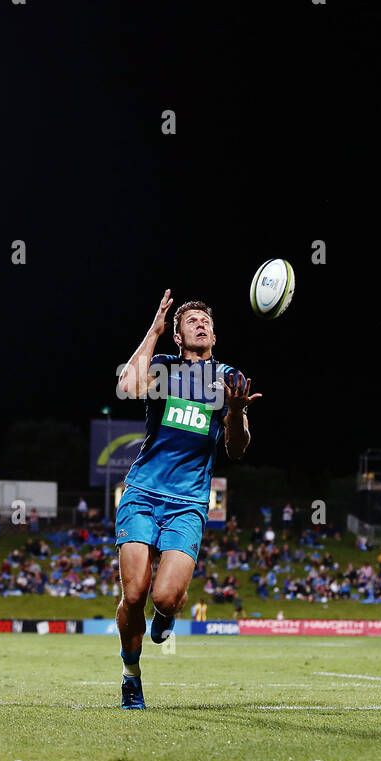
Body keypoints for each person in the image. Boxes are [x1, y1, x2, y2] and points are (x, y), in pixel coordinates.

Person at [112, 291, 259, 709]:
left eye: (205, 321)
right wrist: (155, 328)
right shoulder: (163, 367)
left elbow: (237, 448)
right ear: (178, 336)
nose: (200, 324)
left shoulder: (229, 379)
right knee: (134, 593)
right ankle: (131, 675)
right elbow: (126, 385)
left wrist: (234, 412)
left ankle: (167, 616)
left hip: (189, 502)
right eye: (191, 321)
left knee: (164, 597)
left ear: (213, 333)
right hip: (142, 493)